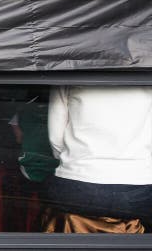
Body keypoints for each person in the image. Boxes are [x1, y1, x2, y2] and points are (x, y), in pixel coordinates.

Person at [45, 86, 152, 224]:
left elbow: (55, 138)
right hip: (137, 187)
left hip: (77, 184)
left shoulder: (66, 69)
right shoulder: (147, 74)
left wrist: (74, 161)